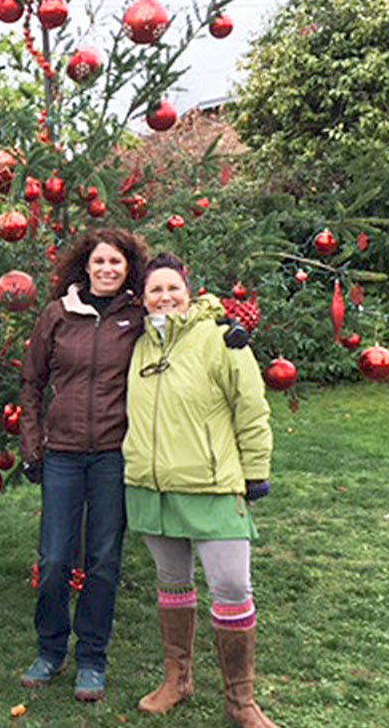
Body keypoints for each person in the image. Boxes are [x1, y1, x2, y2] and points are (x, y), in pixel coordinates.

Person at [123, 253, 277, 727]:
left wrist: (255, 471)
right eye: (155, 290)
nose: (165, 297)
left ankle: (240, 701)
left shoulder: (222, 340)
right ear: (143, 298)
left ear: (188, 292)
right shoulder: (137, 345)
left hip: (211, 485)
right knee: (173, 583)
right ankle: (178, 679)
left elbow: (251, 409)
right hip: (152, 487)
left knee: (232, 587)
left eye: (172, 288)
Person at [15, 228, 149, 702]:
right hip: (63, 455)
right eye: (99, 263)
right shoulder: (58, 314)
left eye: (116, 262)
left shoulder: (139, 317)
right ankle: (50, 650)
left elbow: (184, 326)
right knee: (54, 559)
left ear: (128, 268)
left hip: (114, 456)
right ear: (85, 267)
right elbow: (31, 384)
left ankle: (92, 657)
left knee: (103, 561)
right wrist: (32, 447)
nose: (107, 270)